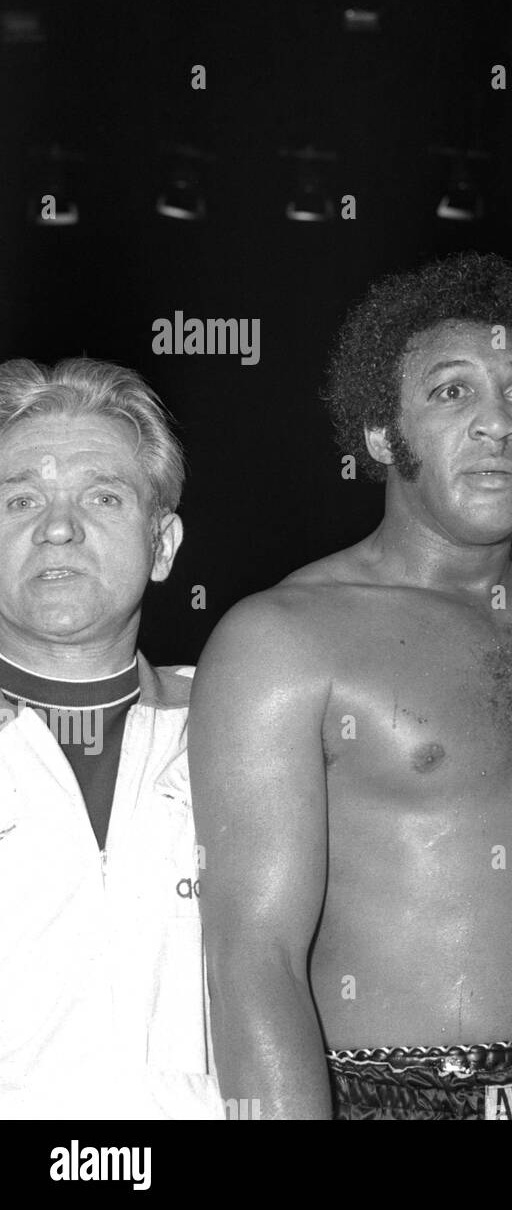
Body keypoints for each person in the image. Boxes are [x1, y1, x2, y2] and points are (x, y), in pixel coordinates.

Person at [189, 254, 512, 1120]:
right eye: (451, 394)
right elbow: (253, 961)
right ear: (377, 435)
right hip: (395, 1095)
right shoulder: (282, 640)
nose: (498, 423)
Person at [0, 357, 223, 1119]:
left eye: (102, 496)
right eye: (21, 497)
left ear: (162, 545)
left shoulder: (247, 731)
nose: (57, 526)